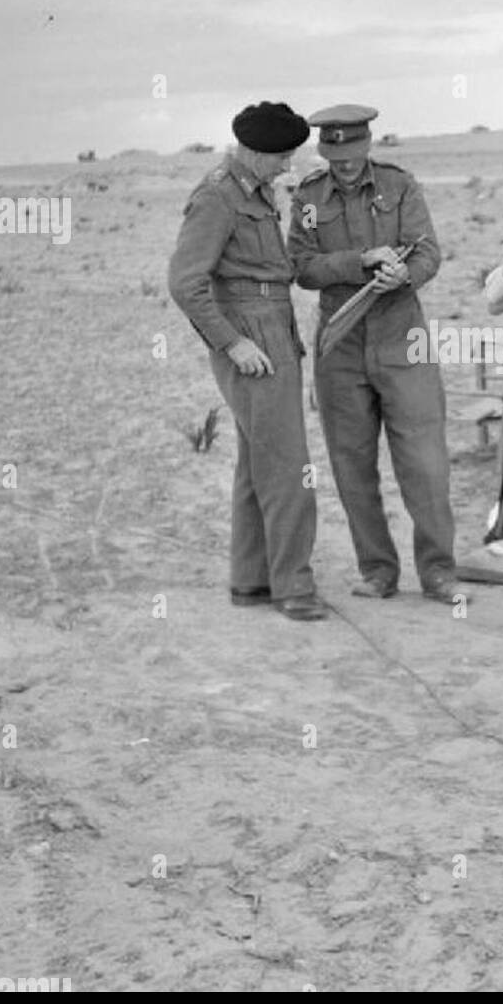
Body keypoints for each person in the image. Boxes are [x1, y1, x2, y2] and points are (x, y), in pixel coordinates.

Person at [288, 104, 461, 606]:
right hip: (340, 342)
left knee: (425, 463)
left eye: (353, 153)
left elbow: (427, 251)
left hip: (402, 336)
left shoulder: (399, 186)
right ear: (324, 150)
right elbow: (300, 265)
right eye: (335, 154)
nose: (345, 163)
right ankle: (378, 570)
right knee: (351, 464)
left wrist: (404, 275)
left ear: (368, 145)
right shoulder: (307, 197)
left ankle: (438, 573)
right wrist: (358, 263)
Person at [167, 102, 326, 621]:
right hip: (252, 337)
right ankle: (294, 589)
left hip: (271, 326)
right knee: (288, 468)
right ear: (254, 153)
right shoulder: (218, 198)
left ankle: (252, 581)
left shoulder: (251, 190)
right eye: (281, 158)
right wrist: (232, 342)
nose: (287, 167)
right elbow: (186, 282)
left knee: (257, 464)